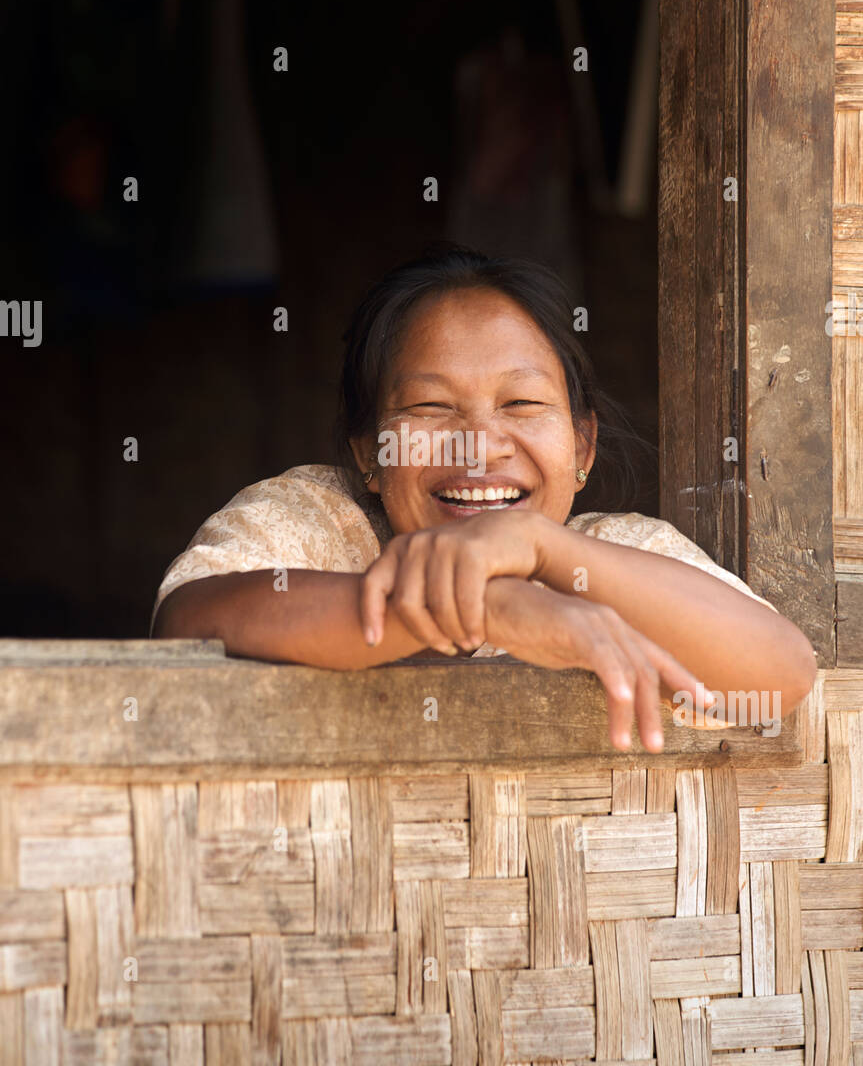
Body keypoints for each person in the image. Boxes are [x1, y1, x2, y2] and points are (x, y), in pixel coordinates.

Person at [151, 245, 817, 753]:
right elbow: (188, 620)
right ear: (366, 453)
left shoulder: (612, 553)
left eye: (522, 404)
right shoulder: (317, 520)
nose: (476, 448)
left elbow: (779, 675)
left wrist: (534, 545)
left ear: (582, 447)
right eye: (429, 407)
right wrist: (487, 606)